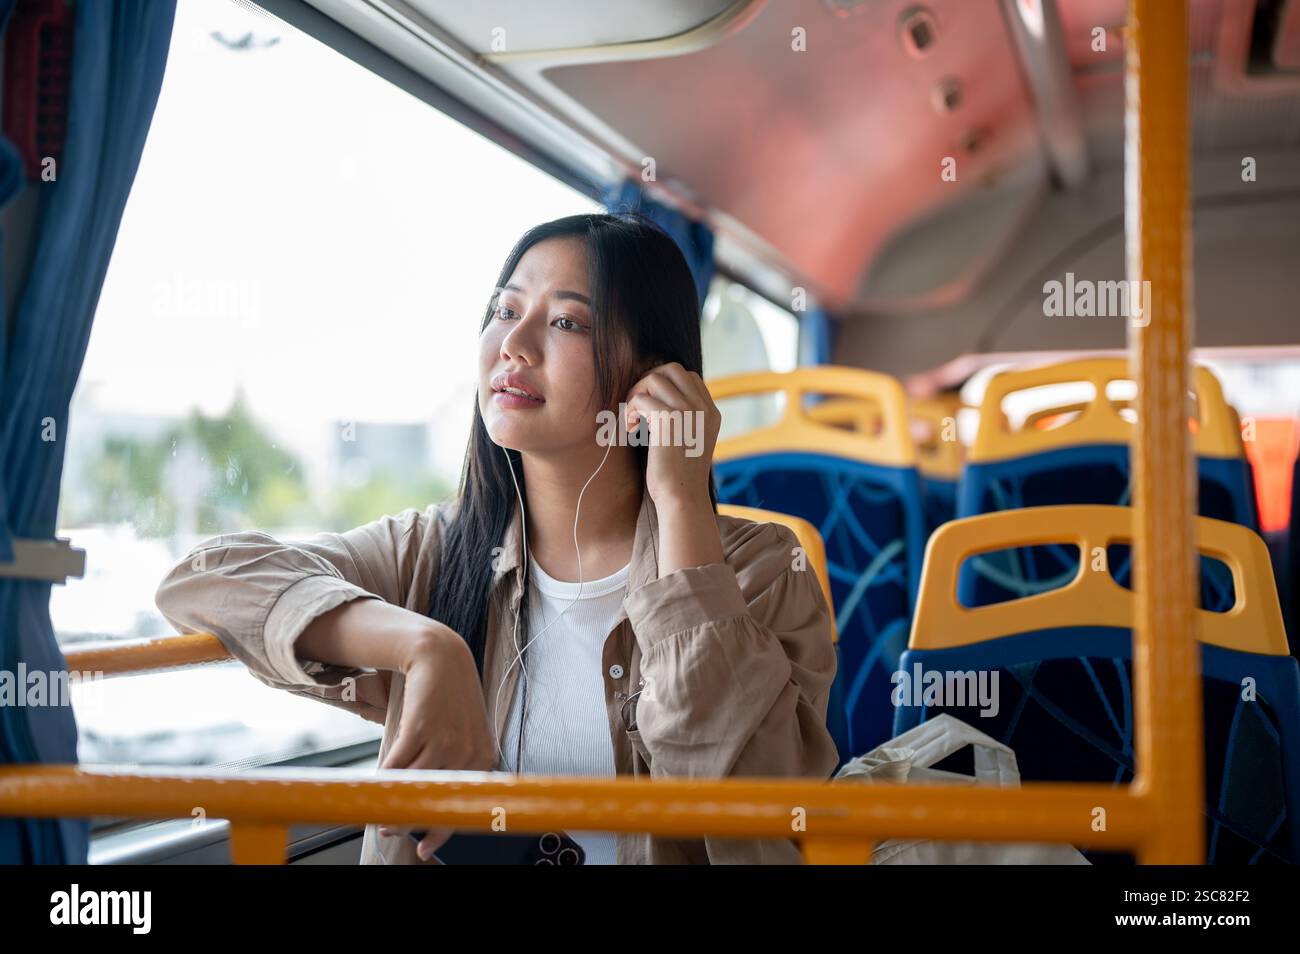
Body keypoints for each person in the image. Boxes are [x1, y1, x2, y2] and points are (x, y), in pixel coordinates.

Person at [155, 212, 839, 864]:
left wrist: (682, 497)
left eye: (567, 321)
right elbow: (207, 575)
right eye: (505, 311)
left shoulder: (766, 571)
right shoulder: (434, 553)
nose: (514, 344)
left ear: (655, 377)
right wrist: (426, 647)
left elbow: (742, 813)